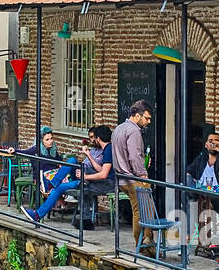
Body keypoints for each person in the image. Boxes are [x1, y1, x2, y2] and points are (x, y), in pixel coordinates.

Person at [22, 126, 112, 224]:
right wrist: (88, 156)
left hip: (89, 180)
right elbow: (101, 169)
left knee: (59, 188)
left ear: (98, 138)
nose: (92, 140)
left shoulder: (107, 150)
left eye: (93, 137)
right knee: (72, 160)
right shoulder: (98, 149)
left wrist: (85, 176)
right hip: (83, 175)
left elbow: (103, 174)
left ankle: (37, 214)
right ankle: (52, 185)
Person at [112, 100, 156, 248]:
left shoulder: (118, 128)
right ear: (137, 115)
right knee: (143, 211)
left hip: (121, 177)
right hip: (132, 178)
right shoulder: (134, 131)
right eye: (147, 118)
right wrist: (142, 173)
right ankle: (143, 244)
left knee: (139, 210)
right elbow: (134, 156)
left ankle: (144, 243)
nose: (148, 122)